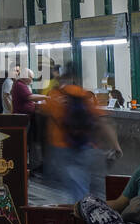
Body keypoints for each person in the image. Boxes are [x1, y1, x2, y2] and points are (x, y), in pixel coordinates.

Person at [42, 66, 121, 200]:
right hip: (86, 145)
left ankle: (81, 208)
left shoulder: (54, 95)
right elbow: (103, 121)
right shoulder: (85, 95)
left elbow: (42, 112)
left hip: (62, 147)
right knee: (90, 184)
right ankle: (93, 205)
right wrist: (116, 146)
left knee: (75, 187)